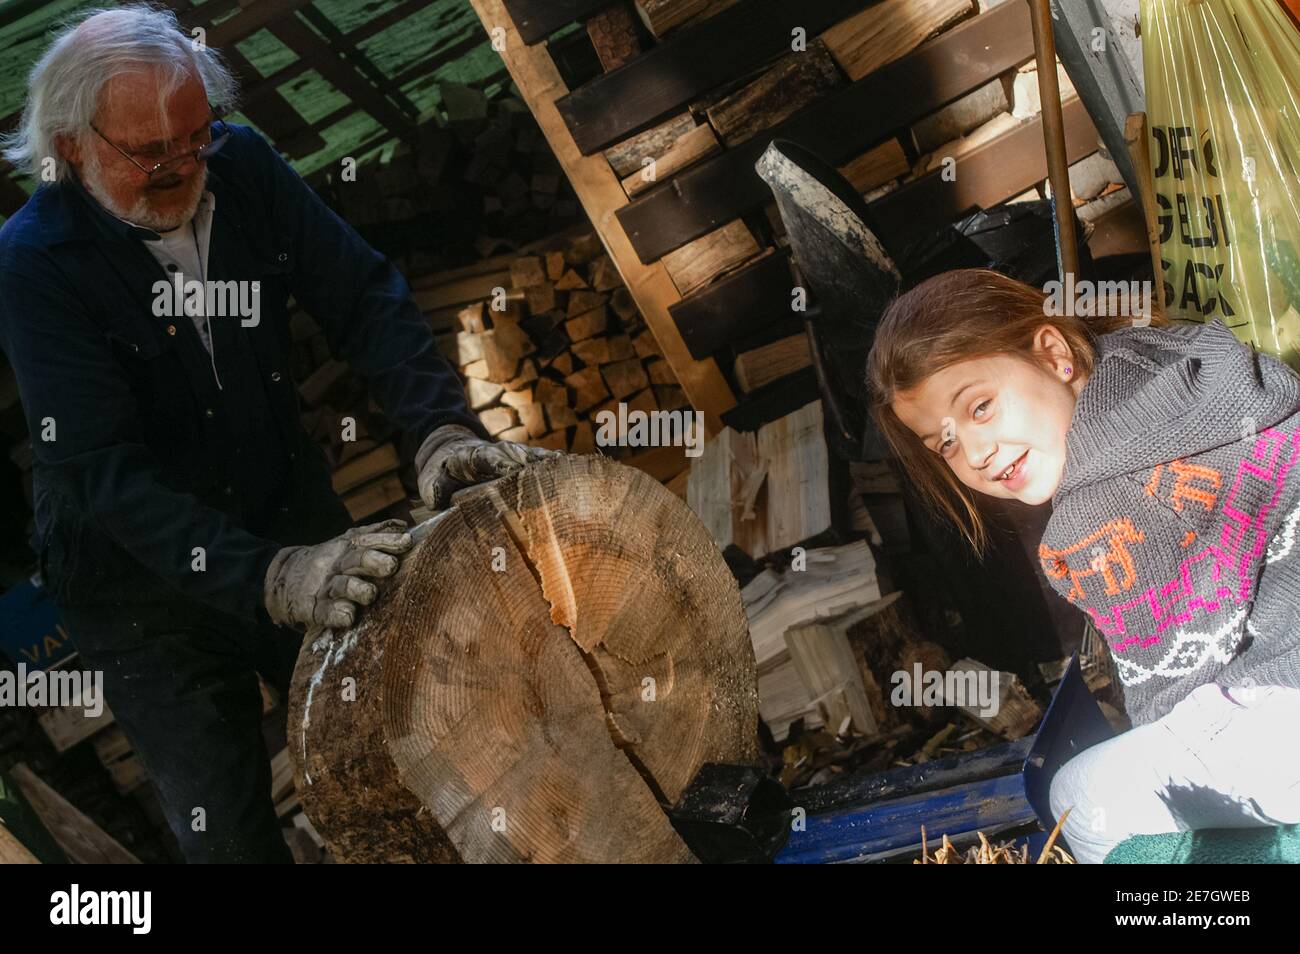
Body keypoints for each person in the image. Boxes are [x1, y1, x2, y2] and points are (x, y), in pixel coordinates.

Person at [0, 6, 554, 862]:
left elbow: (362, 295)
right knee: (227, 833)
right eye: (149, 153)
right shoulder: (33, 263)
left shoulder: (243, 167)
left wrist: (439, 428)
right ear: (72, 146)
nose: (181, 166)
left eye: (195, 136)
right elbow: (103, 471)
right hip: (142, 590)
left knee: (421, 740)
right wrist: (269, 575)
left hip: (279, 509)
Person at [866, 267, 1300, 863]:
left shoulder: (1097, 517)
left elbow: (1169, 707)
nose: (974, 453)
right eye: (943, 443)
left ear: (1053, 354)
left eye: (981, 407)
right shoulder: (1155, 357)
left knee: (1079, 802)